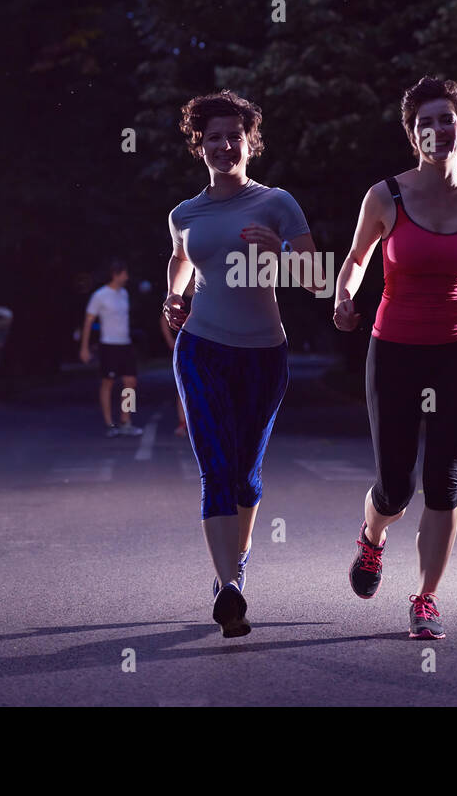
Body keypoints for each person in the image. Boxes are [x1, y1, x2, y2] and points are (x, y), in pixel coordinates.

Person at [332, 76, 457, 639]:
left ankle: (425, 598)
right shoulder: (385, 196)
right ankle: (372, 540)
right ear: (412, 134)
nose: (437, 130)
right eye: (425, 123)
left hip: (455, 352)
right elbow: (355, 260)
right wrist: (344, 295)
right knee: (396, 487)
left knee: (443, 481)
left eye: (446, 119)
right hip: (393, 350)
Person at [165, 89, 324, 638]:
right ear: (199, 146)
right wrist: (174, 298)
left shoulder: (277, 203)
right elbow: (181, 258)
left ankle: (236, 567)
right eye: (213, 137)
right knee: (215, 469)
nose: (225, 144)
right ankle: (230, 587)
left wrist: (276, 253)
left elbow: (317, 278)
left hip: (263, 355)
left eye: (234, 135)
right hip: (202, 349)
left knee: (246, 479)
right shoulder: (184, 213)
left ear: (249, 141)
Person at [79, 261, 144, 438]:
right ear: (115, 274)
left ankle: (126, 420)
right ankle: (110, 423)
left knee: (130, 382)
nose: (127, 277)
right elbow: (88, 322)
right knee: (107, 382)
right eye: (124, 274)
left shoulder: (124, 293)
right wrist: (84, 347)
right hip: (108, 345)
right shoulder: (100, 295)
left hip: (125, 344)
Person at [158, 273, 193, 436]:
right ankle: (182, 423)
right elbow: (163, 319)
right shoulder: (180, 297)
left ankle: (198, 423)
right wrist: (170, 341)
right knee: (184, 385)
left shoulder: (205, 294)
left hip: (204, 342)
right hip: (185, 344)